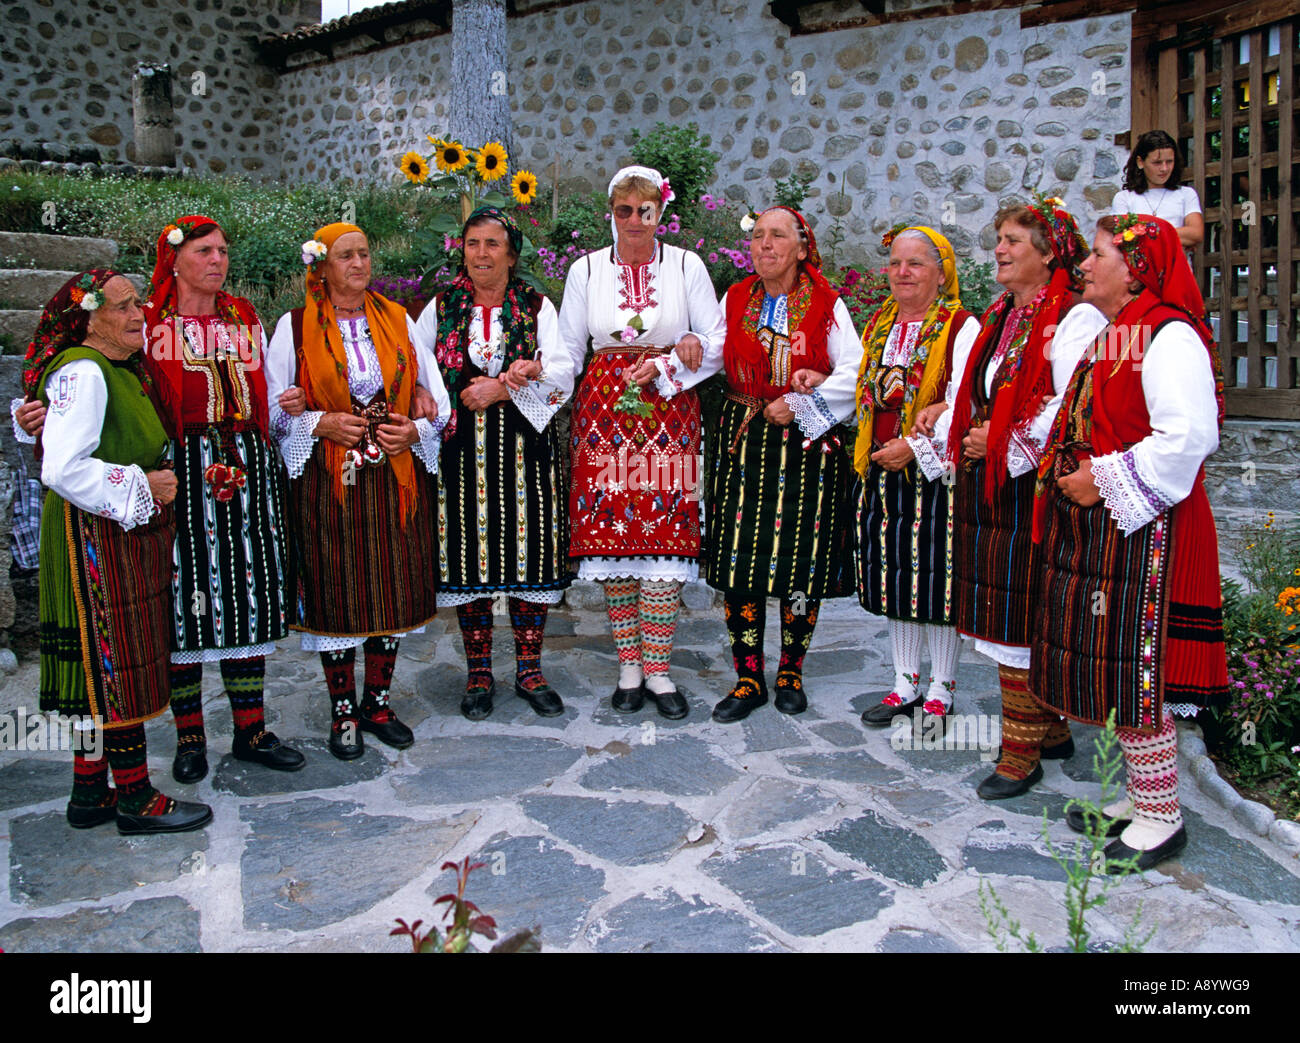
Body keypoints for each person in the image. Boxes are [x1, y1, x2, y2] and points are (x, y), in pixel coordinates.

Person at [1033, 214, 1228, 870]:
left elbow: (1190, 436)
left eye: (1096, 254)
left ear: (1137, 267)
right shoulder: (1118, 332)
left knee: (1139, 665)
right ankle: (1140, 799)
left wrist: (1104, 477)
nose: (1083, 265)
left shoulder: (1169, 335)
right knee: (1116, 664)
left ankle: (1161, 814)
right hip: (1114, 524)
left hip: (1153, 526)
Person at [913, 196, 1106, 799]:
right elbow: (983, 390)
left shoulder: (1072, 318)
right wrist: (953, 413)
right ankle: (1048, 732)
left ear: (1051, 255)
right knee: (1006, 608)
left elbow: (1072, 401)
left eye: (1014, 240)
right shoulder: (1000, 316)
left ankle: (1018, 754)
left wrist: (999, 439)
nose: (998, 248)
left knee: (1018, 615)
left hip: (1033, 484)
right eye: (998, 237)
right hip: (991, 482)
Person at [26, 269, 211, 834]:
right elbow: (61, 468)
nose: (140, 317)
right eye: (125, 308)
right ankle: (134, 797)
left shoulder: (113, 368)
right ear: (89, 318)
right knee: (112, 666)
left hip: (105, 534)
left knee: (95, 669)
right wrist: (141, 484)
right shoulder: (86, 372)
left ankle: (88, 792)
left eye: (140, 305)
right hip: (95, 538)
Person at [266, 222, 449, 760]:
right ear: (320, 266)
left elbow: (434, 397)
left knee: (390, 585)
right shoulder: (294, 327)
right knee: (338, 588)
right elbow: (274, 410)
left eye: (364, 253)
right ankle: (343, 712)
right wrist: (318, 422)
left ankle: (379, 703)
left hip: (393, 477)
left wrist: (415, 430)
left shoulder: (396, 319)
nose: (359, 264)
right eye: (346, 255)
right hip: (331, 480)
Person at [675, 206, 861, 723]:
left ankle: (791, 673)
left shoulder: (826, 304)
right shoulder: (737, 297)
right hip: (745, 439)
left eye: (777, 236)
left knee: (799, 561)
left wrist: (805, 398)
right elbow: (713, 353)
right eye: (757, 236)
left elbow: (854, 370)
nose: (764, 245)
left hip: (805, 446)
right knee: (741, 560)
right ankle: (749, 676)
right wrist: (671, 362)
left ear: (802, 248)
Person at [559, 165, 725, 720]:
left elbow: (716, 336)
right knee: (615, 538)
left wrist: (683, 351)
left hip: (669, 411)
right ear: (612, 213)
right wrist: (537, 379)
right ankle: (629, 666)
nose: (635, 220)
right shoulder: (585, 270)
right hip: (604, 415)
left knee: (665, 537)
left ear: (660, 213)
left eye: (645, 210)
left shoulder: (686, 264)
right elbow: (566, 350)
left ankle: (659, 669)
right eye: (624, 210)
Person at [415, 205, 574, 721]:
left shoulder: (535, 306)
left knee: (529, 555)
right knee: (469, 557)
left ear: (511, 252)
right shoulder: (441, 307)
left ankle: (529, 669)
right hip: (461, 456)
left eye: (492, 244)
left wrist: (503, 388)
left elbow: (562, 373)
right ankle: (479, 671)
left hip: (524, 450)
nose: (481, 254)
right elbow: (419, 372)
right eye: (472, 243)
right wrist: (428, 394)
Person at [855, 226, 979, 727]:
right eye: (895, 264)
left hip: (937, 470)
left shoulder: (961, 326)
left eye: (916, 264)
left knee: (937, 579)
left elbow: (968, 398)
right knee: (897, 577)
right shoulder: (879, 324)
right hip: (884, 463)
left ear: (941, 270)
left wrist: (917, 446)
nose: (902, 273)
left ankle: (941, 689)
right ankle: (904, 682)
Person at [1111, 130, 1204, 250]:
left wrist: (1142, 233)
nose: (1164, 168)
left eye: (1169, 161)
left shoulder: (1186, 194)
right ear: (1140, 162)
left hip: (1177, 267)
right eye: (1157, 163)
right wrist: (1177, 237)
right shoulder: (1124, 198)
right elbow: (1121, 239)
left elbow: (1196, 233)